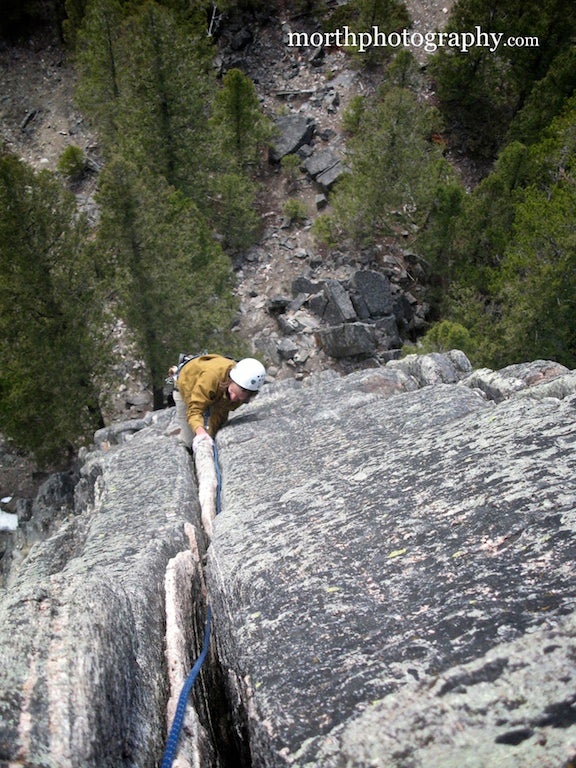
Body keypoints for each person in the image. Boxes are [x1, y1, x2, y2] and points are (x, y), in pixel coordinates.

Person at [171, 354, 266, 450]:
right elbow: (194, 410)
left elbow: (221, 412)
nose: (233, 398)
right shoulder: (211, 377)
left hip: (217, 393)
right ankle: (182, 445)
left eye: (238, 398)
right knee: (189, 440)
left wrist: (210, 435)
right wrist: (201, 434)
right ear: (230, 380)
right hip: (187, 385)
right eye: (232, 392)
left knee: (214, 433)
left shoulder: (244, 391)